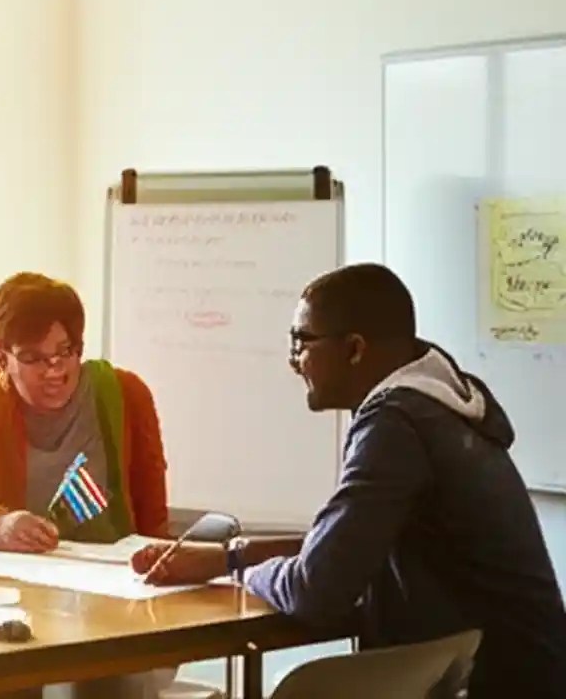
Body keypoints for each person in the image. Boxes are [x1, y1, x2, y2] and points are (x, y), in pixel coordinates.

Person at [132, 263, 566, 698]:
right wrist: (226, 558)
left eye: (301, 342)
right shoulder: (442, 407)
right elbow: (348, 546)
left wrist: (245, 575)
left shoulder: (396, 424)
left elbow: (315, 591)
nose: (292, 361)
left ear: (354, 349)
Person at [0, 272, 170, 552]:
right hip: (19, 583)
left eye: (66, 351)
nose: (55, 370)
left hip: (115, 578)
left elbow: (155, 527)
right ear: (1, 356)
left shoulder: (126, 395)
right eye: (33, 358)